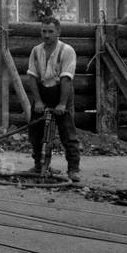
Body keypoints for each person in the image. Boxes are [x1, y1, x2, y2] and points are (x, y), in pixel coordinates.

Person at [24, 17, 81, 182]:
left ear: (58, 32)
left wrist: (62, 104)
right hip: (42, 92)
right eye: (44, 31)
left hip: (62, 91)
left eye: (50, 31)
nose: (46, 35)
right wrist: (38, 101)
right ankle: (39, 165)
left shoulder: (67, 51)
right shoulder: (36, 51)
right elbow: (33, 77)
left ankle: (73, 169)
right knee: (35, 131)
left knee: (67, 132)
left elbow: (66, 79)